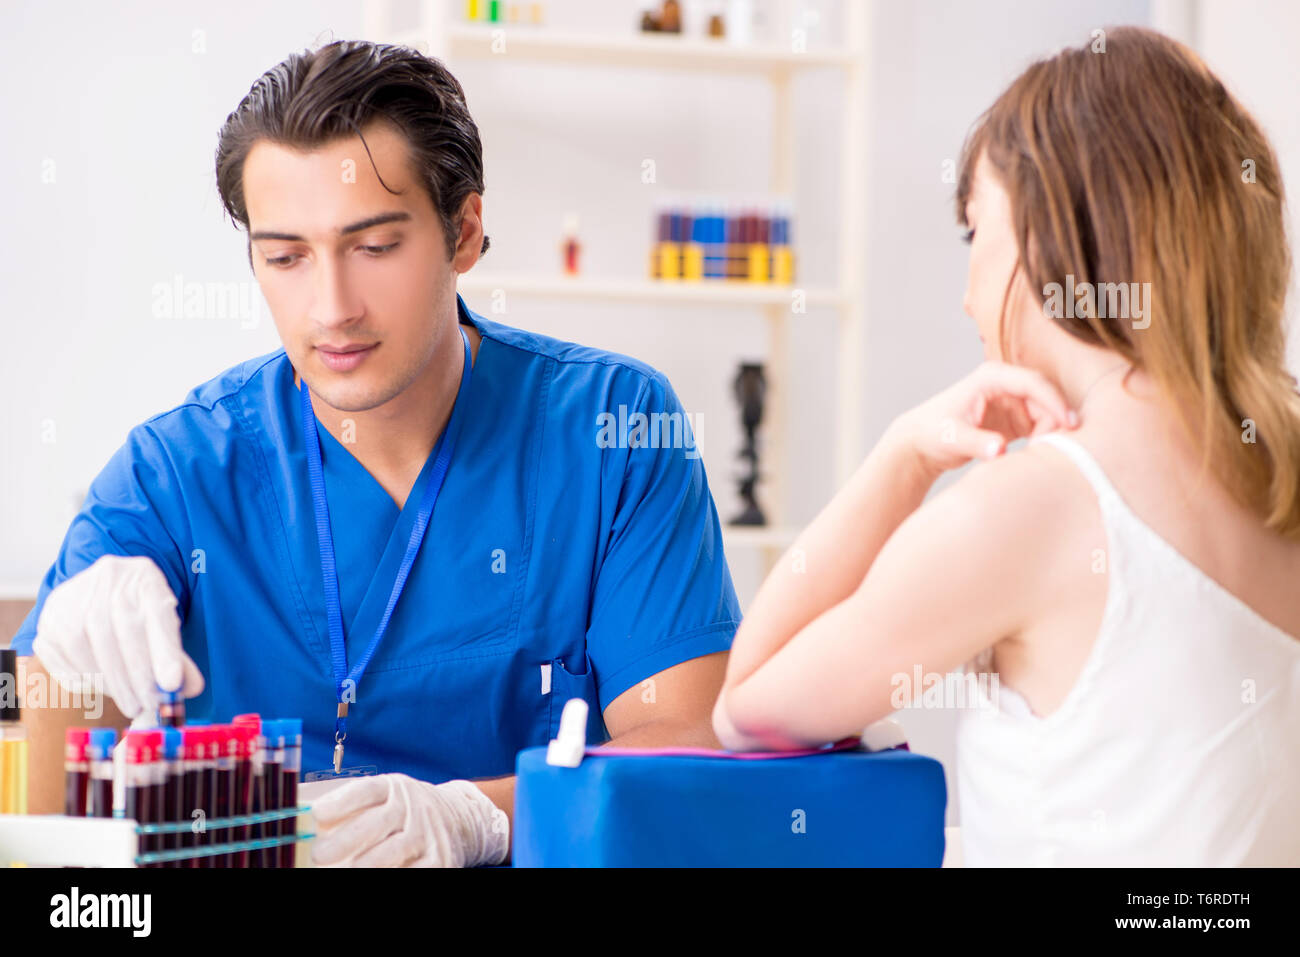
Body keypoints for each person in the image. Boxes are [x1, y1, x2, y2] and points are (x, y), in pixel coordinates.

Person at [11, 40, 740, 867]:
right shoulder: (175, 475)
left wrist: (479, 816)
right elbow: (55, 837)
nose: (331, 307)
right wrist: (75, 673)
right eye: (286, 257)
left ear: (464, 232)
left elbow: (686, 743)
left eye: (375, 247)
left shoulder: (613, 429)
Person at [712, 26, 1300, 865]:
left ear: (1043, 233)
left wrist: (905, 456)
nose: (965, 296)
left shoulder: (1037, 506)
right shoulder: (1278, 471)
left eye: (975, 232)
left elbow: (747, 708)